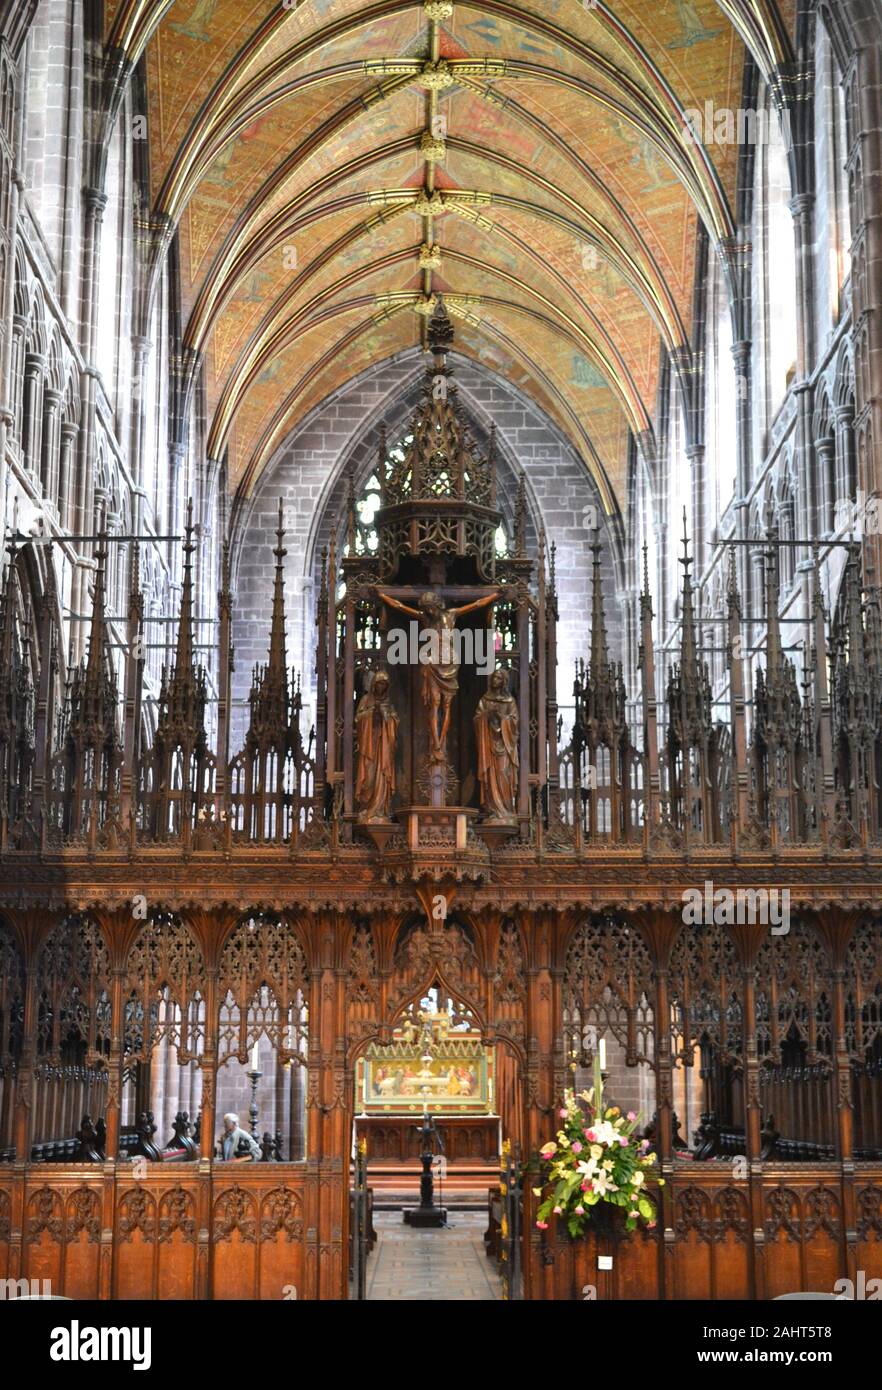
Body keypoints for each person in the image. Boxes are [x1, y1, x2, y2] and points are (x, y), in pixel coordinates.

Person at [378, 588, 500, 759]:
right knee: (434, 704)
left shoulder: (451, 614)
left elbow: (477, 604)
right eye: (426, 608)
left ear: (437, 605)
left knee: (447, 705)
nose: (429, 611)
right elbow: (399, 606)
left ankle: (441, 741)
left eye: (431, 607)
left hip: (449, 663)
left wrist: (494, 596)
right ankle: (436, 743)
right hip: (433, 662)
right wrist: (383, 596)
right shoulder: (424, 618)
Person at [474, 667, 519, 821]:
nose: (495, 680)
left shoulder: (510, 701)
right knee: (492, 775)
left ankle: (505, 810)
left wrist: (502, 719)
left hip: (504, 746)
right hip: (489, 745)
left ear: (504, 682)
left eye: (498, 678)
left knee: (503, 774)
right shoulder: (485, 700)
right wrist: (486, 716)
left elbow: (514, 723)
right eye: (494, 677)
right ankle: (493, 810)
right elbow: (477, 720)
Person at [354, 670, 399, 821]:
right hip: (369, 746)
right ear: (374, 685)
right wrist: (371, 713)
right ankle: (367, 809)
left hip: (383, 747)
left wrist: (386, 717)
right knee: (368, 778)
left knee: (382, 776)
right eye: (378, 684)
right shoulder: (366, 700)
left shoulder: (388, 703)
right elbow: (358, 720)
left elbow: (395, 722)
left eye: (383, 685)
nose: (380, 688)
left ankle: (380, 810)